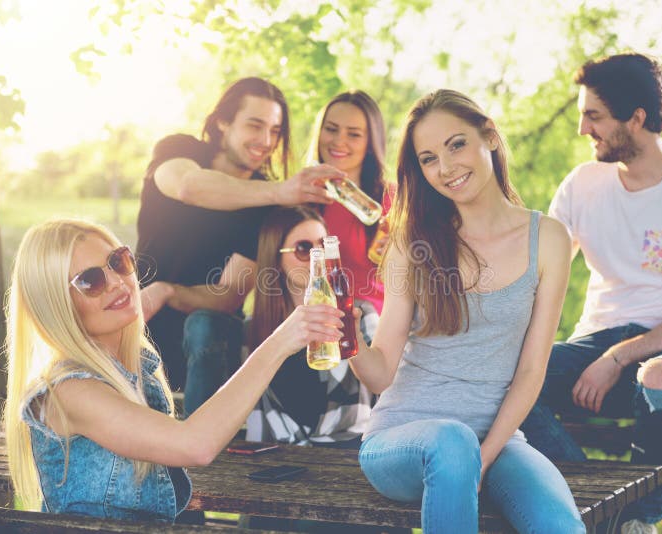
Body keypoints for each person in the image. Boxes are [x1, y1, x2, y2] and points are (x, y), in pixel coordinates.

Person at [519, 53, 662, 533]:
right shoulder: (583, 184)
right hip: (596, 349)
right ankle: (602, 506)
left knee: (661, 375)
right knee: (505, 381)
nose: (582, 127)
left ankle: (640, 521)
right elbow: (538, 274)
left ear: (636, 119)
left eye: (594, 115)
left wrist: (620, 357)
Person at [348, 89, 585, 534]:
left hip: (495, 442)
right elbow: (379, 374)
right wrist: (346, 333)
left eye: (457, 144)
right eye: (429, 158)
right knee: (451, 441)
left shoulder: (548, 238)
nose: (446, 167)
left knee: (561, 526)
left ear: (490, 137)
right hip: (401, 443)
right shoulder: (412, 243)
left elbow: (531, 371)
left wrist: (487, 456)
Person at [3, 218, 344, 522]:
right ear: (56, 304)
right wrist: (279, 342)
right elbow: (195, 445)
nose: (118, 283)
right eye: (90, 281)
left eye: (117, 262)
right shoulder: (70, 390)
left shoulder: (136, 369)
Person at [136, 77, 344, 416]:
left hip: (210, 339)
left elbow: (230, 294)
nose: (265, 141)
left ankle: (204, 448)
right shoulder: (179, 150)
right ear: (223, 122)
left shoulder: (266, 206)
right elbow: (189, 186)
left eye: (275, 131)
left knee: (204, 323)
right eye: (255, 125)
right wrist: (279, 192)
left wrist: (167, 291)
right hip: (139, 315)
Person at [244, 206, 372, 448]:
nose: (318, 255)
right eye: (304, 249)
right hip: (275, 461)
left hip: (348, 455)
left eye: (323, 245)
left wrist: (350, 335)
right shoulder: (250, 331)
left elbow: (386, 388)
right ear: (276, 259)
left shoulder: (361, 315)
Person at [307, 90, 392, 341]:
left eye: (353, 134)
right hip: (312, 322)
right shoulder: (300, 196)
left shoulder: (392, 199)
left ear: (370, 143)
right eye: (331, 129)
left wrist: (402, 253)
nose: (338, 141)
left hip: (373, 327)